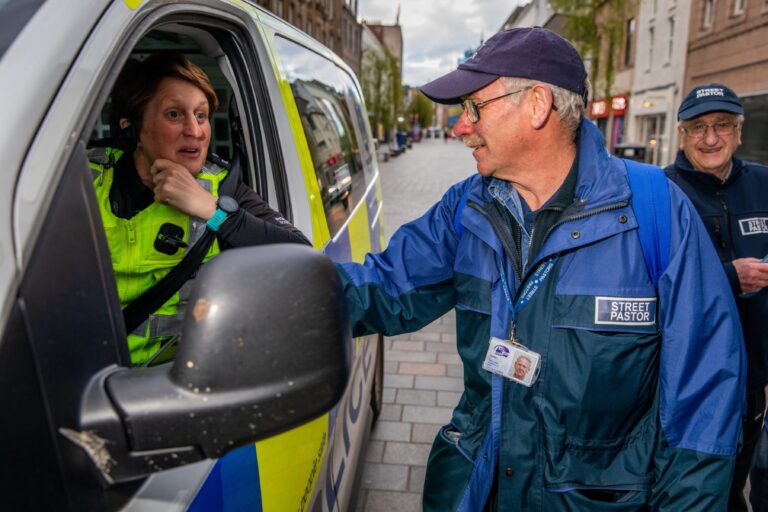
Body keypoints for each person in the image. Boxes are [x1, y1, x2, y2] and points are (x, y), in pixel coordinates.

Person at [335, 28, 745, 511]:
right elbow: (381, 287)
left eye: (474, 107)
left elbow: (704, 408)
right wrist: (262, 264)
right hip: (477, 492)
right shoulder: (467, 208)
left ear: (536, 104)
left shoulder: (656, 212)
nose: (460, 127)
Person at [89, 53, 309, 366]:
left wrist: (212, 210)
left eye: (202, 115)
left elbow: (301, 257)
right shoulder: (86, 175)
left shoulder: (224, 188)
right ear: (131, 128)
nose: (195, 130)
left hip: (167, 383)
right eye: (175, 114)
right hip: (77, 377)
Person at [664, 83, 768, 512]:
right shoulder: (661, 193)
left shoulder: (763, 183)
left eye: (722, 125)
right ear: (682, 135)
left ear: (739, 132)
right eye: (699, 127)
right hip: (689, 378)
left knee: (735, 482)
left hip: (752, 377)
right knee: (692, 488)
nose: (711, 138)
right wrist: (727, 277)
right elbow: (649, 281)